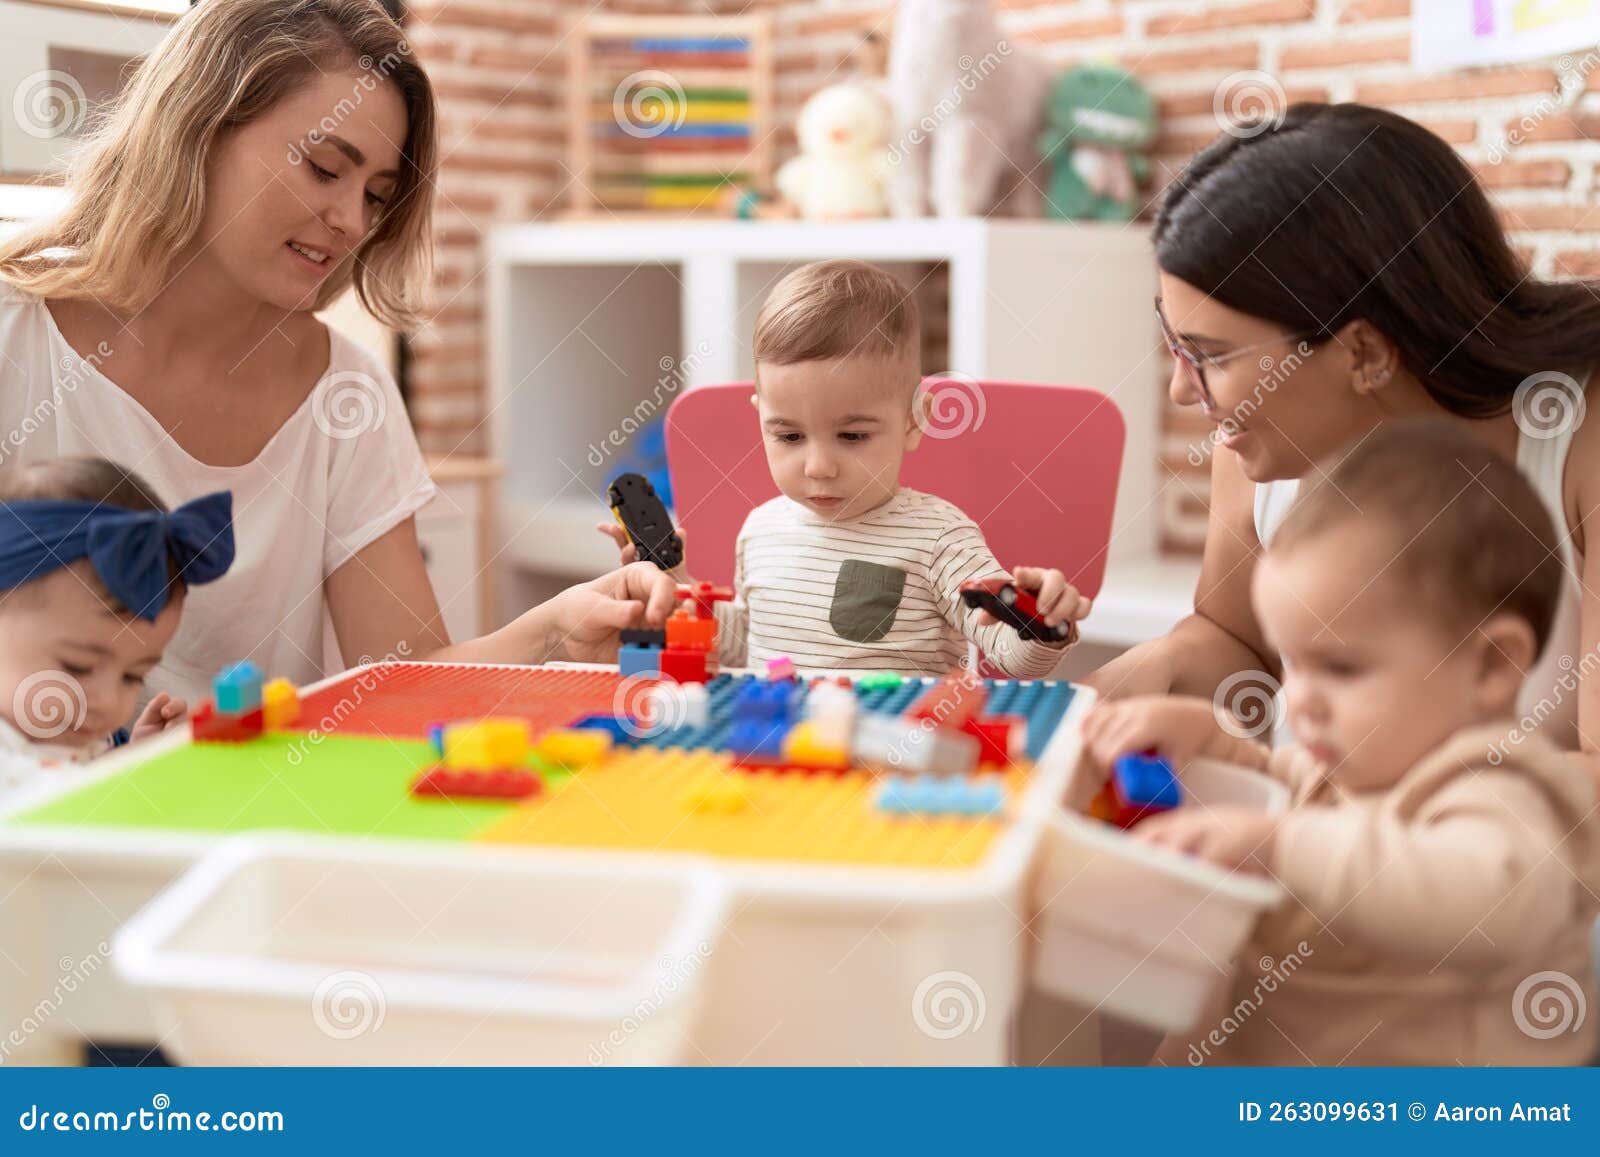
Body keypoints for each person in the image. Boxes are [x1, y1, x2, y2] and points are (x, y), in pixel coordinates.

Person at [0, 0, 674, 715]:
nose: (352, 221)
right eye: (324, 169)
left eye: (378, 196)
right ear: (200, 126)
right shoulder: (17, 336)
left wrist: (555, 634)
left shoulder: (346, 394)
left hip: (244, 816)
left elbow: (404, 679)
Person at [1085, 102, 1600, 769]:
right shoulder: (1258, 448)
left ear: (1362, 351)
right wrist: (1139, 678)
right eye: (1177, 347)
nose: (1185, 390)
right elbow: (1236, 640)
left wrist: (1316, 834)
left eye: (1210, 355)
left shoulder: (1577, 437)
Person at [1082, 421, 1600, 1065]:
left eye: (1342, 668)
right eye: (1293, 665)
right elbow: (1282, 781)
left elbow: (1491, 897)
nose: (1300, 701)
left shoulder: (1503, 792)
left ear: (1493, 668)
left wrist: (1277, 846)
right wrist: (1207, 739)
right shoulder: (1351, 775)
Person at [602, 259, 1092, 675]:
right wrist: (679, 592)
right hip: (780, 749)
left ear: (913, 420)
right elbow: (744, 641)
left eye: (853, 436)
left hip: (892, 761)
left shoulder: (939, 536)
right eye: (789, 435)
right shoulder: (761, 529)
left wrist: (1042, 626)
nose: (818, 467)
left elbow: (1008, 656)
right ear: (761, 419)